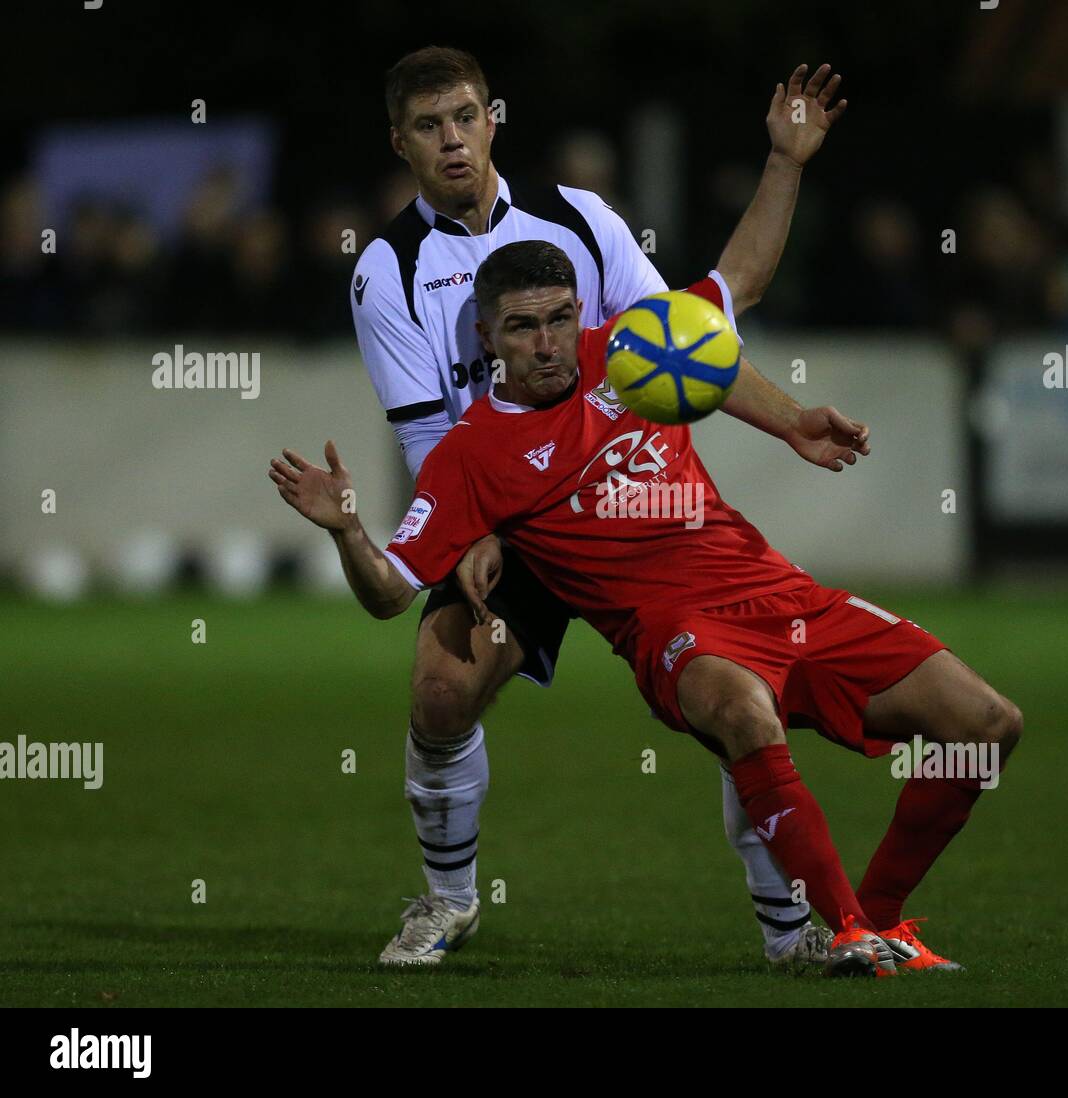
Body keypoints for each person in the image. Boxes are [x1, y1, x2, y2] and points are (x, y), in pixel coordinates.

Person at [271, 240, 1023, 976]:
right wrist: (347, 531)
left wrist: (788, 158)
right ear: (486, 336)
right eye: (522, 327)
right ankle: (848, 932)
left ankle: (880, 917)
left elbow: (737, 285)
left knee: (987, 726)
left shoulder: (632, 351)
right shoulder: (470, 454)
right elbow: (390, 592)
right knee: (744, 715)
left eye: (560, 319)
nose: (546, 344)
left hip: (781, 592)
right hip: (678, 633)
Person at [349, 44, 853, 967]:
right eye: (429, 126)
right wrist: (476, 532)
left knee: (739, 705)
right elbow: (429, 439)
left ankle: (794, 930)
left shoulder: (576, 217)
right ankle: (449, 901)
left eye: (464, 116)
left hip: (634, 508)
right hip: (510, 522)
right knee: (439, 690)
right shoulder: (387, 270)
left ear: (493, 118)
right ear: (401, 144)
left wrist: (787, 422)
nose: (452, 140)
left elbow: (680, 347)